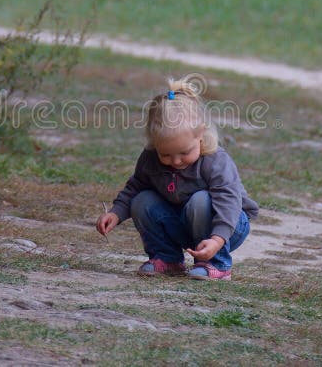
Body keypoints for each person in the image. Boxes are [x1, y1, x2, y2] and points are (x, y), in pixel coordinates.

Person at [95, 75, 259, 280]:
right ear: (154, 144)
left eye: (184, 152)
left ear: (201, 134)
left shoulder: (214, 161)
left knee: (201, 200)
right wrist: (116, 213)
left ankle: (217, 263)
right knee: (142, 200)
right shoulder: (150, 158)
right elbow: (135, 186)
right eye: (166, 154)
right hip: (183, 224)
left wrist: (217, 239)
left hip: (227, 225)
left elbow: (229, 200)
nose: (176, 161)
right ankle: (167, 258)